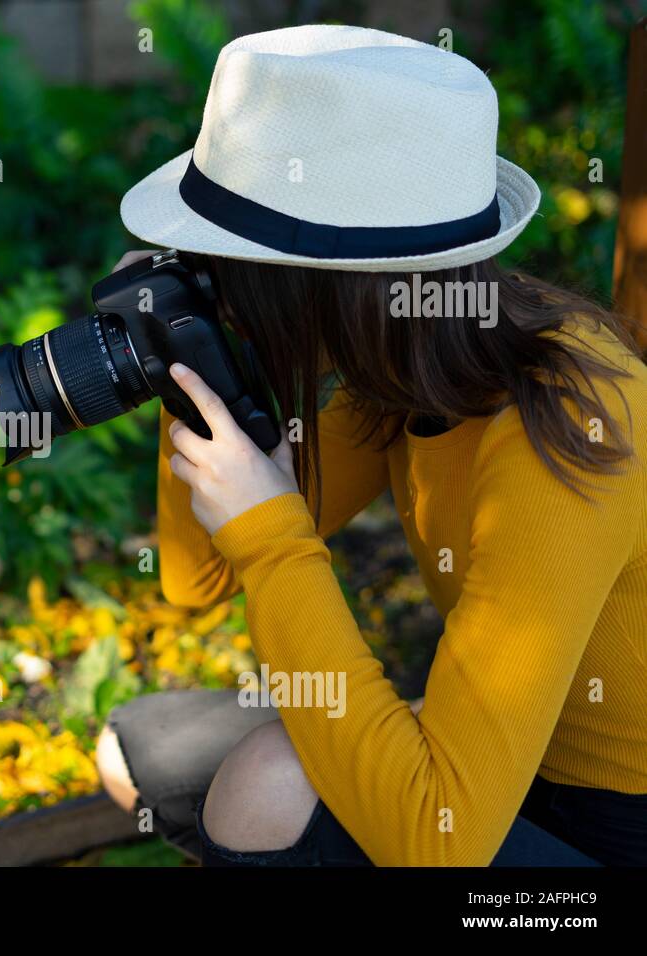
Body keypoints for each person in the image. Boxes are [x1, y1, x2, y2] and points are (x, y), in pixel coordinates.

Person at [95, 24, 647, 866]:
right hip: (502, 770)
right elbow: (194, 577)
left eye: (227, 262)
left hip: (605, 835)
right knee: (142, 749)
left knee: (271, 786)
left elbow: (443, 842)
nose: (214, 275)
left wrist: (274, 536)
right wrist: (186, 359)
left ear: (311, 286)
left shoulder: (564, 425)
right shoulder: (407, 359)